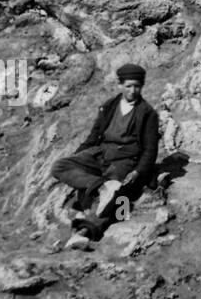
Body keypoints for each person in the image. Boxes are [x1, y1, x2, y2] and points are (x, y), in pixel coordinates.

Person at [51, 63, 160, 249]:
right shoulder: (108, 106)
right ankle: (101, 187)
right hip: (100, 153)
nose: (132, 91)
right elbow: (93, 136)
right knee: (59, 166)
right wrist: (79, 158)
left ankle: (84, 233)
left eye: (137, 86)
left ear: (141, 86)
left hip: (125, 160)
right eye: (128, 86)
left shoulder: (147, 113)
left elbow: (150, 150)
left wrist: (138, 172)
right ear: (120, 85)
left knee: (118, 199)